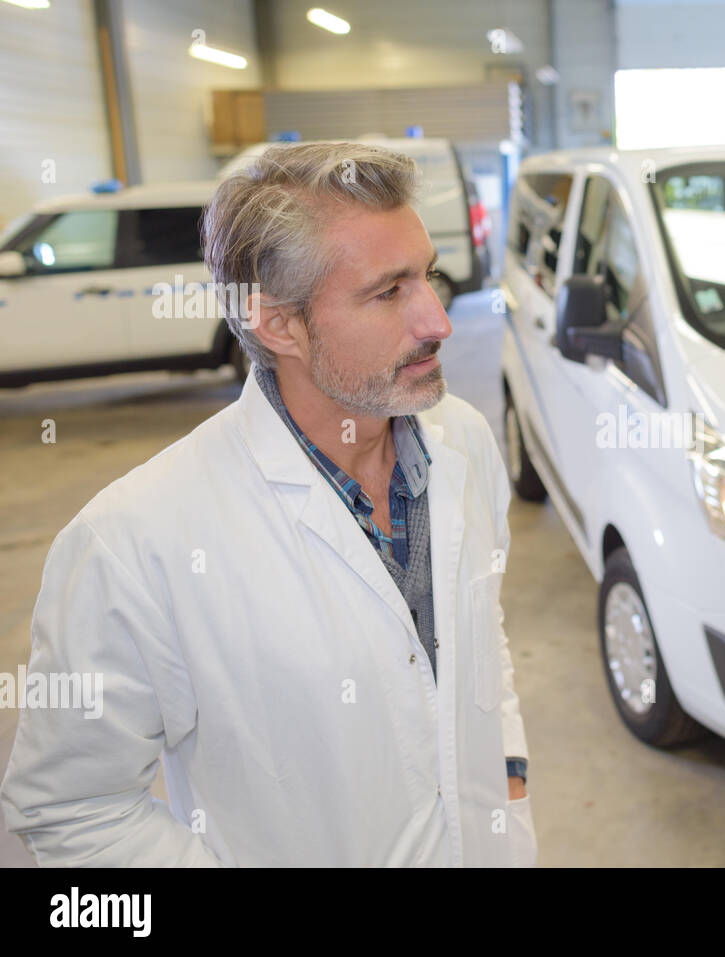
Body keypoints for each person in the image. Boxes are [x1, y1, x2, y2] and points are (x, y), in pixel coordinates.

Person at [1, 142, 536, 866]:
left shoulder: (463, 442)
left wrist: (507, 770)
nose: (437, 319)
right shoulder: (133, 542)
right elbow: (73, 809)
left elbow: (482, 630)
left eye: (428, 275)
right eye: (389, 291)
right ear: (278, 324)